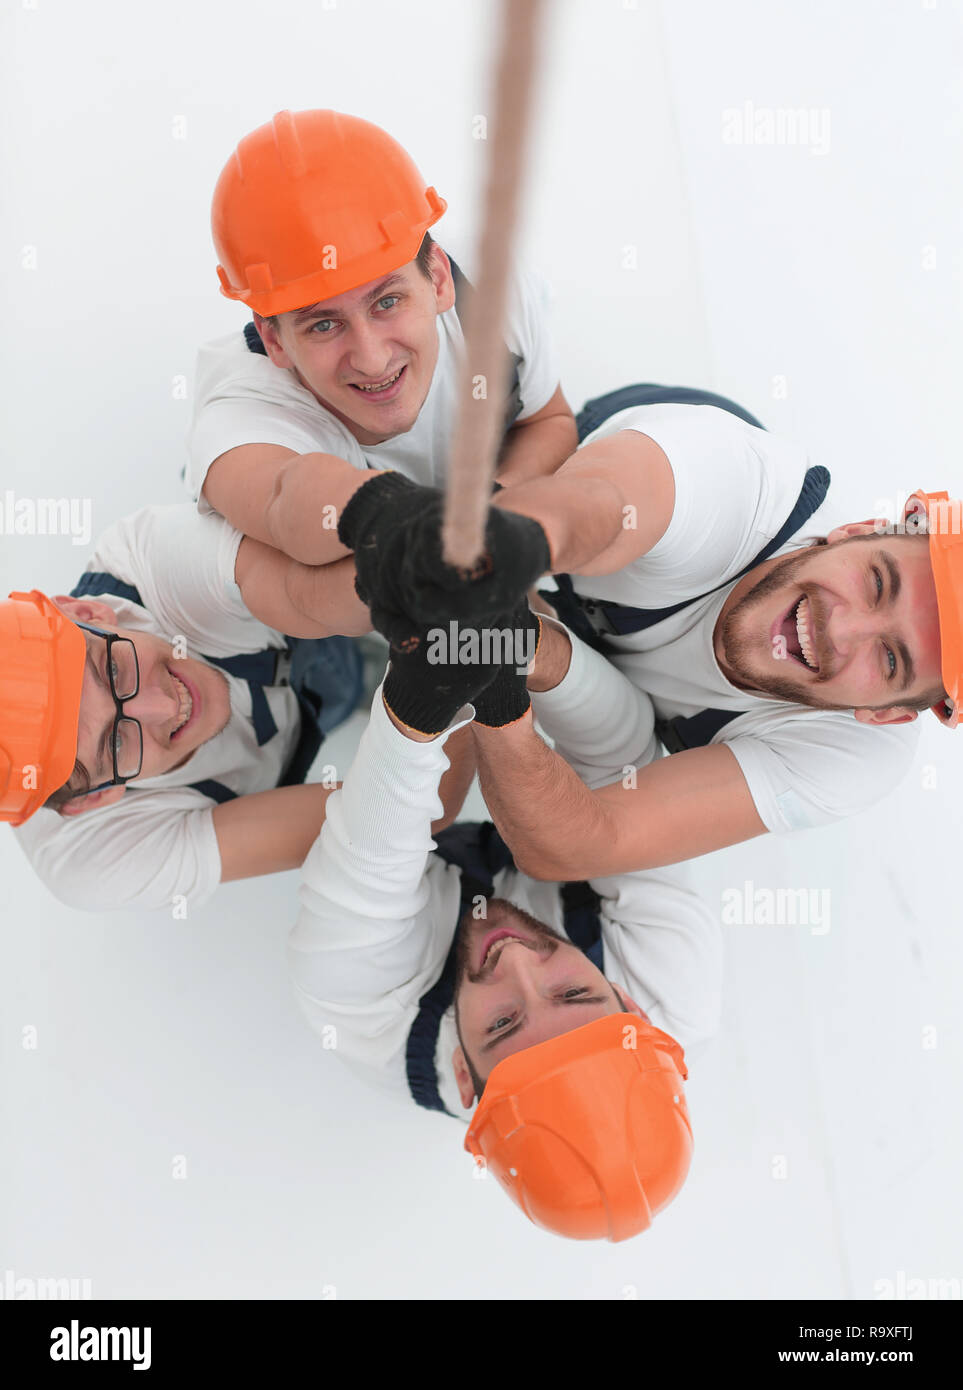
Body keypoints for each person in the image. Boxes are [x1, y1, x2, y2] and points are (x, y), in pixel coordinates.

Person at [341, 387, 962, 877]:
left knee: (436, 802)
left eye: (889, 660)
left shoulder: (854, 761)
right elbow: (601, 503)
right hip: (593, 493)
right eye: (878, 583)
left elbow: (583, 845)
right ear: (855, 531)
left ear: (887, 717)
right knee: (355, 575)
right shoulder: (732, 477)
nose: (841, 628)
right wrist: (509, 546)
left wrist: (497, 689)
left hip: (579, 649)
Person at [287, 595, 721, 1241]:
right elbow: (622, 762)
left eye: (503, 1022)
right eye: (574, 991)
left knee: (409, 785)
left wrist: (448, 656)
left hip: (404, 877)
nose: (515, 957)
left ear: (464, 1075)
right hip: (551, 845)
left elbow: (373, 847)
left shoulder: (354, 1002)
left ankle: (334, 678)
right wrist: (523, 645)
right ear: (630, 1003)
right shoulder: (673, 979)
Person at [2, 504, 471, 911]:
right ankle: (358, 683)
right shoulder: (87, 860)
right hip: (273, 747)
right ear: (96, 797)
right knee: (346, 691)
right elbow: (407, 816)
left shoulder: (147, 560)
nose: (162, 706)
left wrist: (456, 610)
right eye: (118, 741)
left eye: (115, 671)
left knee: (336, 608)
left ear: (88, 612)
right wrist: (478, 666)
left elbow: (386, 582)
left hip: (279, 631)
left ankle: (355, 662)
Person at [186, 108, 576, 574]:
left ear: (438, 277)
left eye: (387, 303)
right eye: (324, 326)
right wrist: (420, 533)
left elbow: (548, 421)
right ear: (274, 339)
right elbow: (282, 502)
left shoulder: (491, 294)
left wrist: (492, 511)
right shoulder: (241, 411)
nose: (372, 360)